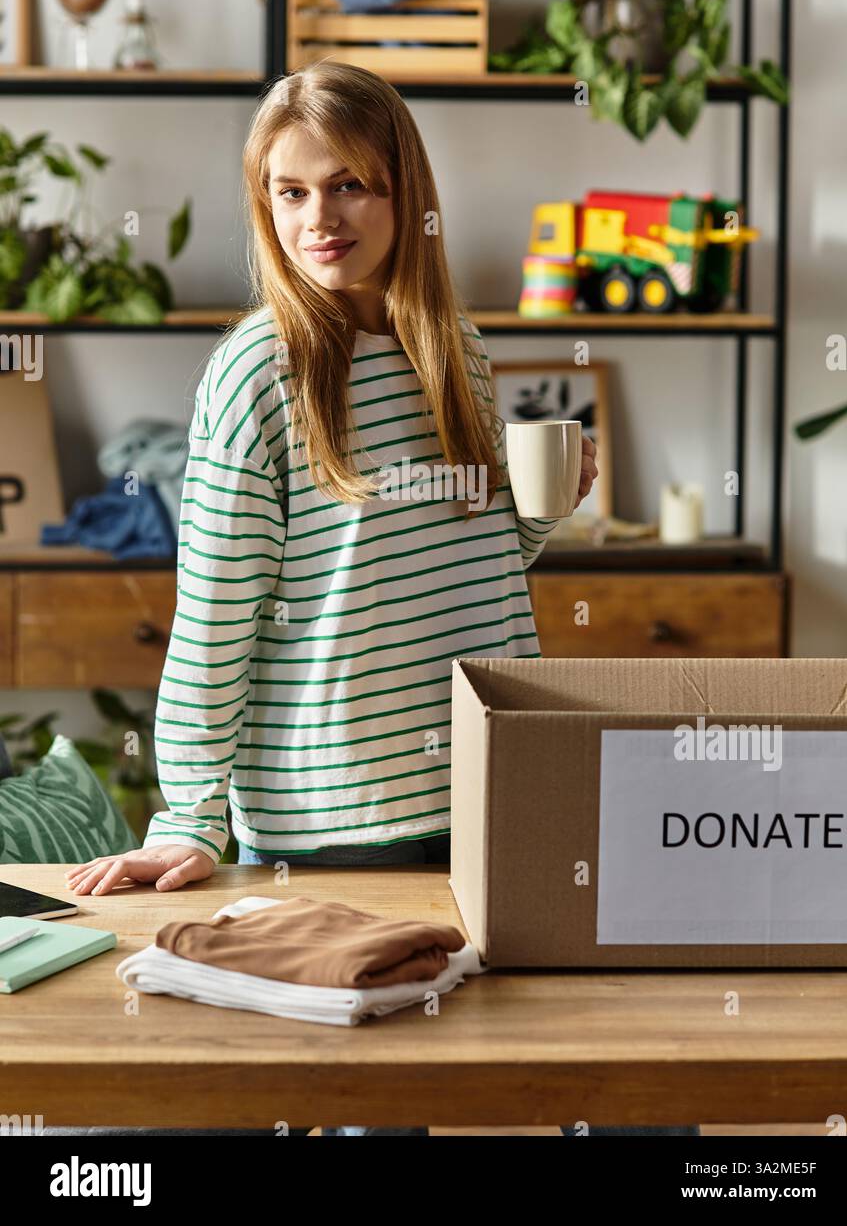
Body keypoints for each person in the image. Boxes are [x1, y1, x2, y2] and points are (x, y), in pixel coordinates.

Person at [64, 62, 692, 1139]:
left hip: (484, 802)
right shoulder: (257, 374)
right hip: (332, 825)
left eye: (351, 184)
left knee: (604, 1071)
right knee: (373, 1110)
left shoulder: (459, 355)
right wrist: (186, 815)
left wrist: (541, 512)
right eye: (291, 191)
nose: (321, 217)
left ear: (406, 192)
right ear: (264, 203)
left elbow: (466, 570)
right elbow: (214, 619)